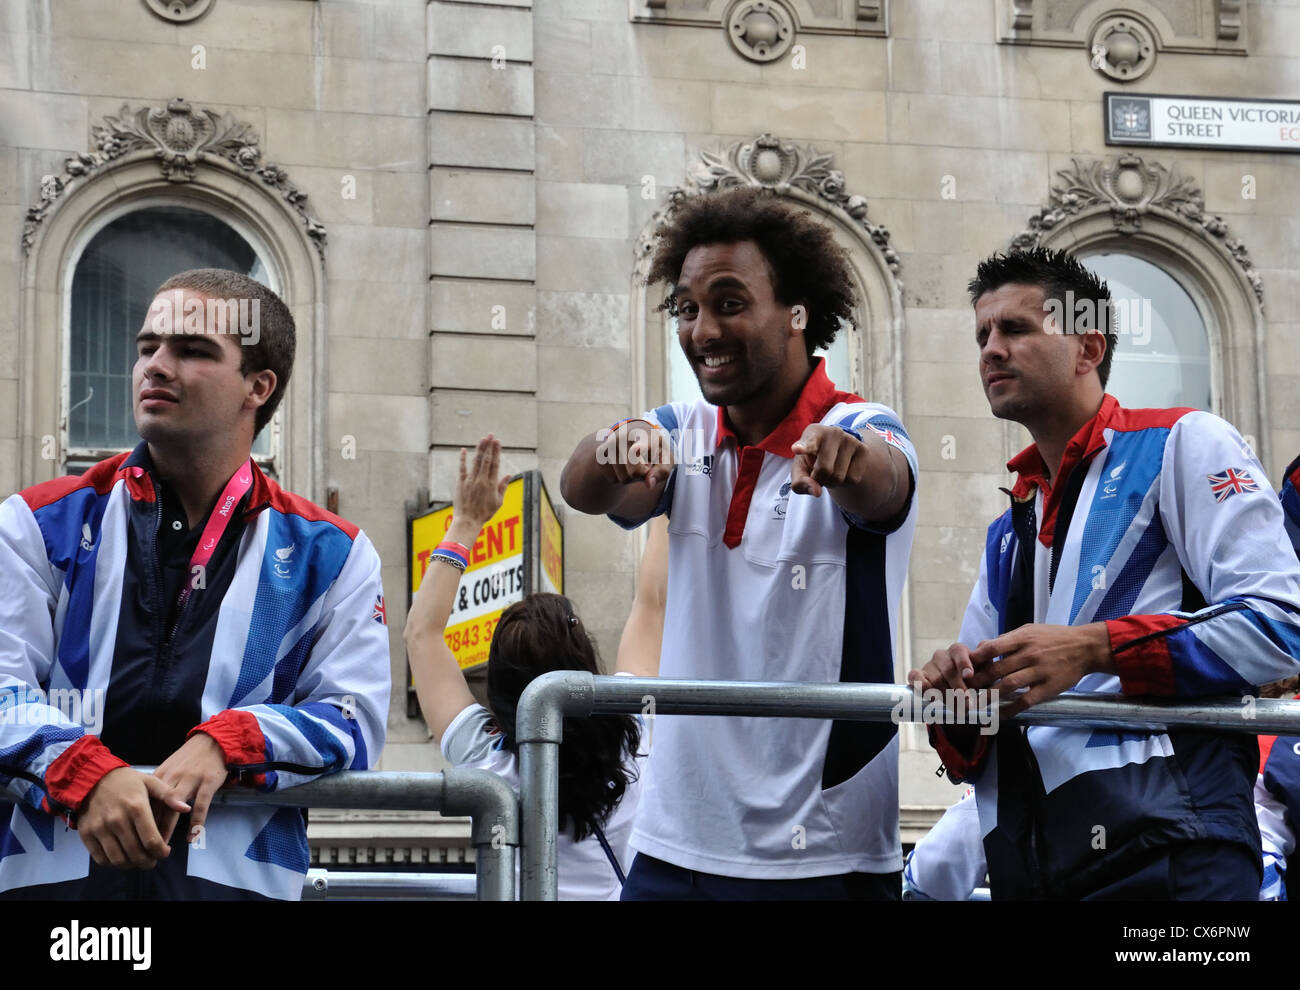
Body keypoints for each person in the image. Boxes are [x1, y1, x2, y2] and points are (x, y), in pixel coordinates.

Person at [561, 186, 918, 899]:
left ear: (796, 315)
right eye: (687, 309)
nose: (703, 331)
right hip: (673, 847)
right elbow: (582, 488)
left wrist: (848, 460)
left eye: (729, 303)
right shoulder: (679, 427)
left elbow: (885, 481)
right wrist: (613, 447)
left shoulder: (864, 421)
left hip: (824, 855)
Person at [911, 246, 1300, 899]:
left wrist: (1095, 647)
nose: (990, 349)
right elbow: (970, 744)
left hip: (1175, 859)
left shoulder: (1185, 441)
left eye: (1015, 328)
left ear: (1088, 347)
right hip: (1032, 870)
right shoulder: (1009, 529)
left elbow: (1279, 629)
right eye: (981, 333)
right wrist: (949, 695)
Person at [0, 269, 390, 900]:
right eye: (147, 346)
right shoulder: (37, 522)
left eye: (192, 350)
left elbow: (355, 723)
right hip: (53, 896)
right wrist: (83, 772)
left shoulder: (333, 553)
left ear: (258, 387)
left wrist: (231, 741)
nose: (155, 365)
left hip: (236, 888)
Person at [405, 435, 646, 900]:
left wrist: (466, 522)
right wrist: (674, 494)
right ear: (583, 664)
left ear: (497, 688)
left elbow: (422, 632)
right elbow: (652, 604)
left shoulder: (483, 756)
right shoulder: (638, 728)